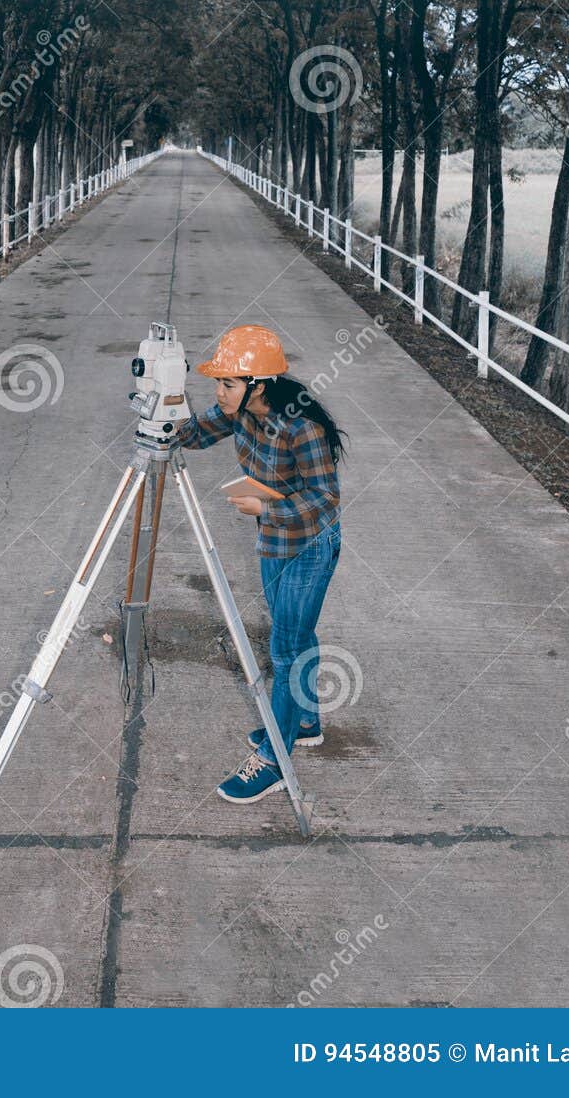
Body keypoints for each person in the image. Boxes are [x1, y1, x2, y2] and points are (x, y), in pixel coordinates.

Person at [173, 325, 345, 805]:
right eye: (219, 383)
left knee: (286, 648)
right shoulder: (241, 411)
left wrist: (265, 510)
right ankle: (305, 720)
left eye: (228, 384)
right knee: (296, 636)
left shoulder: (301, 427)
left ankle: (273, 758)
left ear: (259, 385)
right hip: (274, 542)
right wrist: (165, 416)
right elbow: (197, 430)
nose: (218, 393)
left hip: (308, 546)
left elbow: (326, 500)